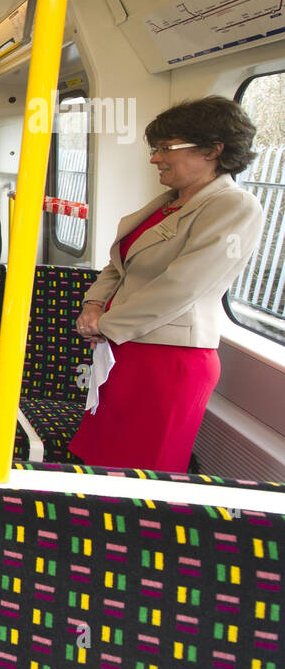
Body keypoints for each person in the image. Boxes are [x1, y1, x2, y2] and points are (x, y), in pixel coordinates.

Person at [69, 97, 264, 472]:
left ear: (212, 150)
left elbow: (182, 286)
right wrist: (93, 306)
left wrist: (105, 325)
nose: (155, 159)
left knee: (141, 468)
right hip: (125, 350)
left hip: (168, 361)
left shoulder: (233, 206)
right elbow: (118, 265)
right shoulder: (169, 204)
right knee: (103, 462)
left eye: (165, 148)